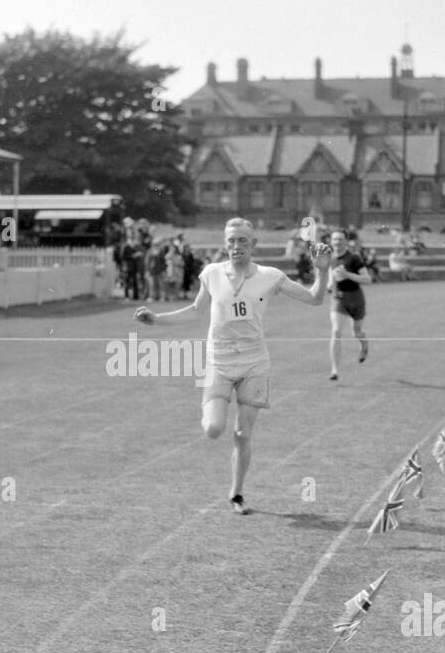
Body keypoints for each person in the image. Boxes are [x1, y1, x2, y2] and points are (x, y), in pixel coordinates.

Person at [133, 217, 331, 514]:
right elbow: (195, 311)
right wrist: (156, 319)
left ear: (253, 244)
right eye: (231, 241)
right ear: (224, 245)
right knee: (214, 428)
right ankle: (211, 405)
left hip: (255, 363)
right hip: (219, 361)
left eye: (242, 240)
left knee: (243, 434)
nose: (236, 246)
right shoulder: (212, 273)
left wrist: (322, 269)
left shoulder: (270, 276)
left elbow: (315, 299)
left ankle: (237, 494)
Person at [326, 229, 371, 381]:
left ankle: (364, 345)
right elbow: (331, 276)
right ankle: (334, 370)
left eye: (340, 239)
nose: (337, 242)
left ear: (345, 241)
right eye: (335, 239)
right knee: (336, 331)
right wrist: (329, 285)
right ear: (331, 242)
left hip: (356, 299)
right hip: (339, 299)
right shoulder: (329, 259)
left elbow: (367, 279)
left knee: (356, 332)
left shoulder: (354, 258)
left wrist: (348, 275)